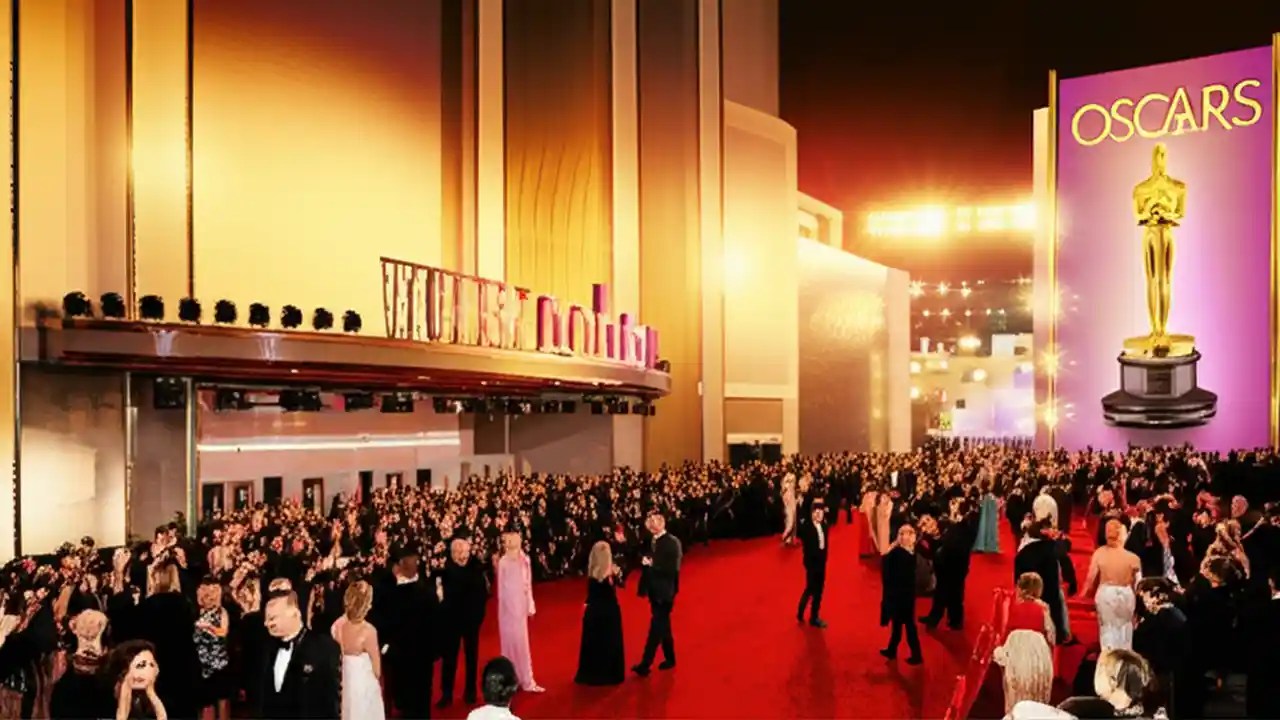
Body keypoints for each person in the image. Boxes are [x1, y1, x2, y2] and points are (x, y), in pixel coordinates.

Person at [252, 589, 341, 720]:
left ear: (294, 614)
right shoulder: (266, 649)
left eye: (272, 618)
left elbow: (331, 703)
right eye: (265, 619)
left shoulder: (324, 647)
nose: (267, 623)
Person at [382, 544, 440, 716]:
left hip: (403, 659)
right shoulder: (427, 593)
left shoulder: (390, 595)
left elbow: (383, 624)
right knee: (419, 700)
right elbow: (437, 625)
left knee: (406, 702)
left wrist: (386, 648)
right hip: (419, 659)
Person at [993, 573, 1054, 713]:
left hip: (1016, 646)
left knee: (1016, 689)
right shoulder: (1043, 608)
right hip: (1037, 649)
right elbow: (1050, 634)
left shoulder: (1011, 604)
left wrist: (1000, 648)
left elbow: (1004, 629)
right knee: (1036, 687)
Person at [439, 537, 489, 707]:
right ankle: (446, 694)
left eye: (464, 552)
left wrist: (478, 618)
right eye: (457, 552)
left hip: (471, 621)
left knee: (472, 657)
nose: (462, 556)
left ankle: (471, 691)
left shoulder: (476, 570)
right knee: (449, 659)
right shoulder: (445, 571)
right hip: (450, 622)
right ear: (452, 554)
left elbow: (483, 596)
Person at [1081, 519, 1141, 651]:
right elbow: (1138, 585)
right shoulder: (1133, 558)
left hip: (1107, 594)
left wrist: (1083, 595)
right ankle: (1123, 661)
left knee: (1108, 630)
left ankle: (1109, 662)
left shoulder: (1100, 553)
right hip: (1126, 595)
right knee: (1125, 630)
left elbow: (1090, 579)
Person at [633, 512, 682, 676]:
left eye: (653, 520)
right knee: (663, 626)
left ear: (662, 523)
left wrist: (652, 564)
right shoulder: (651, 541)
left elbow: (672, 569)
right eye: (649, 521)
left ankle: (645, 663)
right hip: (654, 590)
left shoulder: (672, 542)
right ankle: (670, 658)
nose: (650, 523)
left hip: (665, 591)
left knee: (656, 628)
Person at [330, 580, 385, 720]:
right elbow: (377, 670)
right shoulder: (369, 631)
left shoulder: (337, 627)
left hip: (343, 682)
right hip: (363, 684)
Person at [496, 532, 543, 692]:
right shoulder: (503, 562)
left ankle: (526, 678)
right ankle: (510, 679)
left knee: (522, 643)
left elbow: (527, 584)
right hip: (507, 609)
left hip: (520, 606)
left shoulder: (525, 560)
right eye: (508, 540)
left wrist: (530, 604)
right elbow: (501, 590)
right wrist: (505, 608)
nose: (510, 542)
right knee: (509, 643)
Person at [574, 541, 625, 685]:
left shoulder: (592, 574)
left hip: (594, 613)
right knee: (609, 643)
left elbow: (591, 596)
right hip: (609, 613)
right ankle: (609, 674)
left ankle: (592, 673)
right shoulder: (610, 576)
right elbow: (620, 586)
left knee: (593, 645)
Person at [879, 524, 922, 665]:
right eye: (902, 534)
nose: (904, 537)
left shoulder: (899, 553)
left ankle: (916, 654)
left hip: (902, 594)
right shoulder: (911, 552)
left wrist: (889, 551)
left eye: (907, 534)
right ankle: (892, 649)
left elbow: (885, 567)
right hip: (905, 594)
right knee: (898, 625)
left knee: (908, 626)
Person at [193, 577, 232, 720]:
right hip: (202, 665)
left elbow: (223, 632)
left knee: (222, 700)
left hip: (219, 663)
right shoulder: (197, 612)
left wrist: (209, 627)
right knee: (206, 703)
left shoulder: (222, 612)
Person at [103, 640, 167, 720]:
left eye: (152, 665)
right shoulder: (107, 699)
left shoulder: (156, 696)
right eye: (141, 665)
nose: (149, 671)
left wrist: (151, 692)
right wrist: (126, 686)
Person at [796, 502, 829, 628]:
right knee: (810, 589)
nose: (819, 514)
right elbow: (806, 548)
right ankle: (800, 612)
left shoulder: (824, 526)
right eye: (817, 512)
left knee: (819, 591)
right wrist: (809, 565)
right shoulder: (807, 528)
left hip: (821, 564)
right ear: (812, 514)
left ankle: (814, 616)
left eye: (821, 512)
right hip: (812, 565)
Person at [973, 481, 1000, 553]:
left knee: (982, 528)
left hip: (983, 516)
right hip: (988, 517)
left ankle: (982, 544)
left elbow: (980, 504)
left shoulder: (984, 495)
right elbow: (995, 506)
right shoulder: (990, 496)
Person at [781, 474, 798, 546]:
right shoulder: (786, 481)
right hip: (788, 506)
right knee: (790, 522)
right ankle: (785, 537)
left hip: (792, 504)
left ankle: (791, 539)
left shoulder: (791, 478)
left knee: (793, 522)